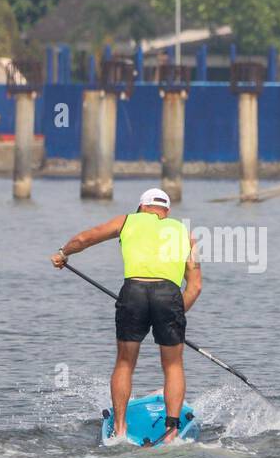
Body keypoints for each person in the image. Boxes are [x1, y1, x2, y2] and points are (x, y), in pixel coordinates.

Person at [51, 188, 201, 444]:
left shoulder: (127, 221)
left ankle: (119, 429)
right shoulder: (186, 236)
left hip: (133, 293)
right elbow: (195, 287)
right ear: (166, 212)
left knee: (124, 363)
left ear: (141, 207)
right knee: (173, 365)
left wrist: (64, 253)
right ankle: (171, 433)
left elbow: (86, 238)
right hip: (169, 297)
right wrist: (173, 315)